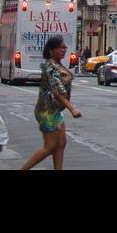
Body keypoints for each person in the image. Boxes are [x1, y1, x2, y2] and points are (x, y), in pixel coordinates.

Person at [20, 34, 82, 170]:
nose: (63, 50)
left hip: (54, 110)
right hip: (46, 111)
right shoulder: (50, 66)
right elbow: (57, 91)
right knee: (50, 147)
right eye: (60, 48)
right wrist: (72, 109)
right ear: (51, 50)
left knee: (61, 143)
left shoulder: (58, 64)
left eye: (65, 47)